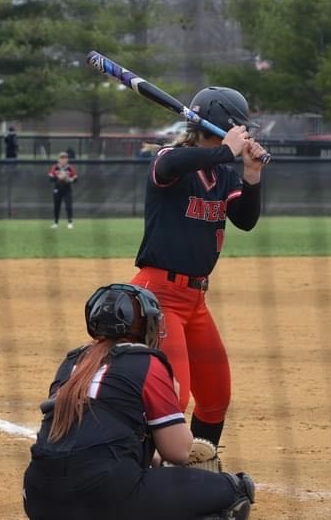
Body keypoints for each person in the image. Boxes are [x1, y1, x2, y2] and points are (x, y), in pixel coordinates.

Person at [22, 283, 255, 520]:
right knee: (236, 490)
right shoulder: (146, 362)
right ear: (146, 326)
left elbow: (95, 433)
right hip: (105, 495)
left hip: (38, 499)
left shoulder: (71, 363)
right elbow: (179, 452)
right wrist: (170, 399)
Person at [130, 86, 268, 448]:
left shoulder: (223, 175)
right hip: (158, 296)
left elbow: (246, 220)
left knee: (215, 398)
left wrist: (251, 175)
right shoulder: (171, 159)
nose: (246, 134)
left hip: (195, 301)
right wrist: (227, 151)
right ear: (223, 124)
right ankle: (146, 476)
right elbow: (168, 164)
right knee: (173, 398)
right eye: (240, 127)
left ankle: (199, 475)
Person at [48, 151, 78, 229]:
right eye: (61, 158)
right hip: (57, 188)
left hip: (67, 189)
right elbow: (51, 178)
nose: (63, 160)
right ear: (58, 159)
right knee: (56, 206)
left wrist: (67, 179)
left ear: (67, 160)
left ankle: (70, 222)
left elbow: (75, 179)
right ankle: (56, 223)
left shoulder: (70, 168)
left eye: (65, 158)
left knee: (68, 205)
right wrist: (58, 177)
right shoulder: (55, 167)